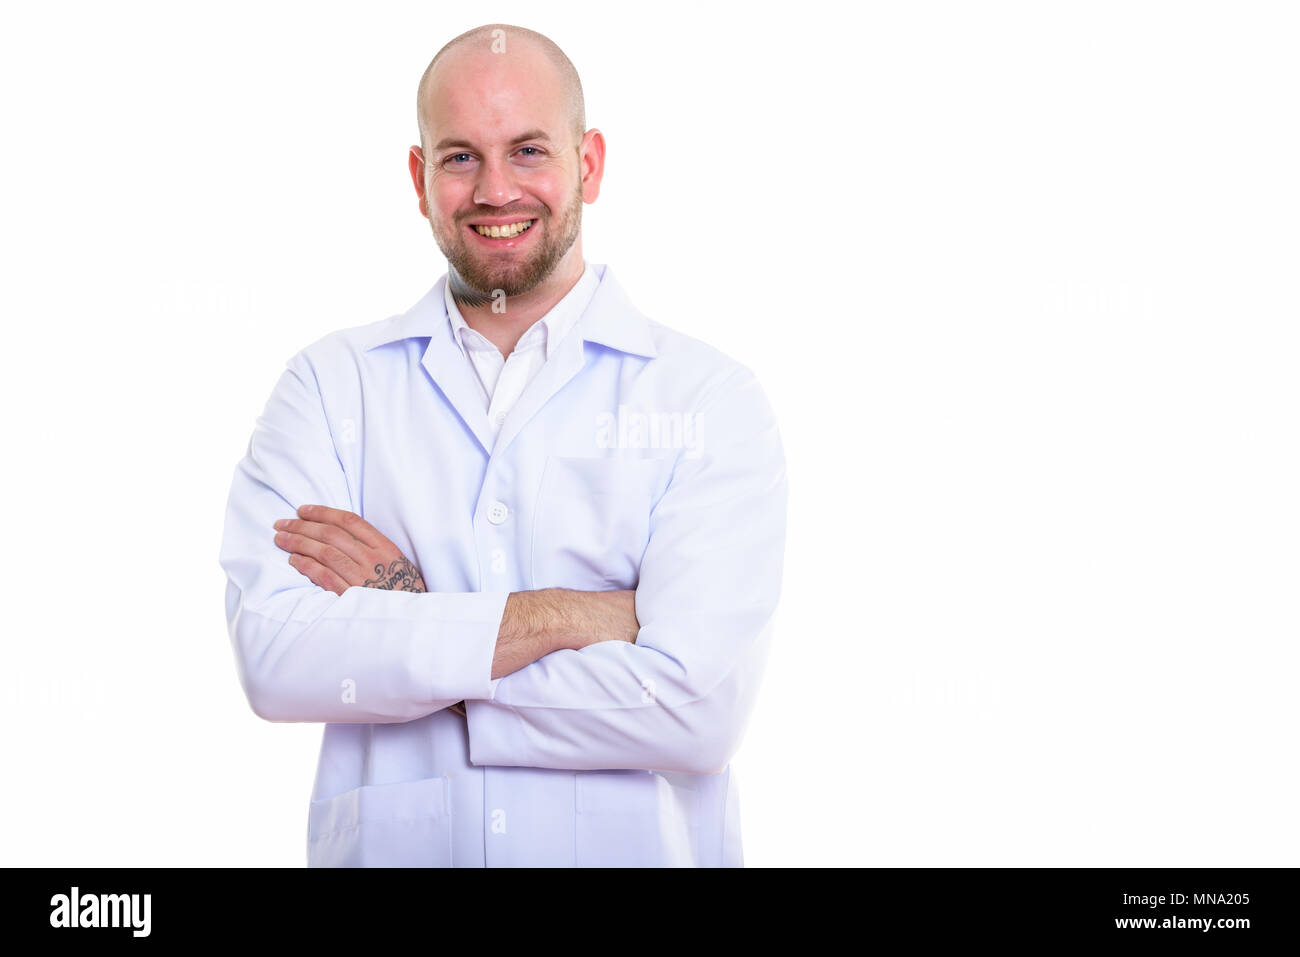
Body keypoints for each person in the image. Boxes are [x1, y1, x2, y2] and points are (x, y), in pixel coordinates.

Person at [218, 22, 788, 867]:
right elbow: (276, 658)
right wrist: (580, 617)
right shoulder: (331, 387)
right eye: (459, 158)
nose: (494, 190)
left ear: (588, 164)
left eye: (527, 151)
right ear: (419, 179)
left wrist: (412, 634)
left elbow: (697, 711)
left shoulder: (706, 398)